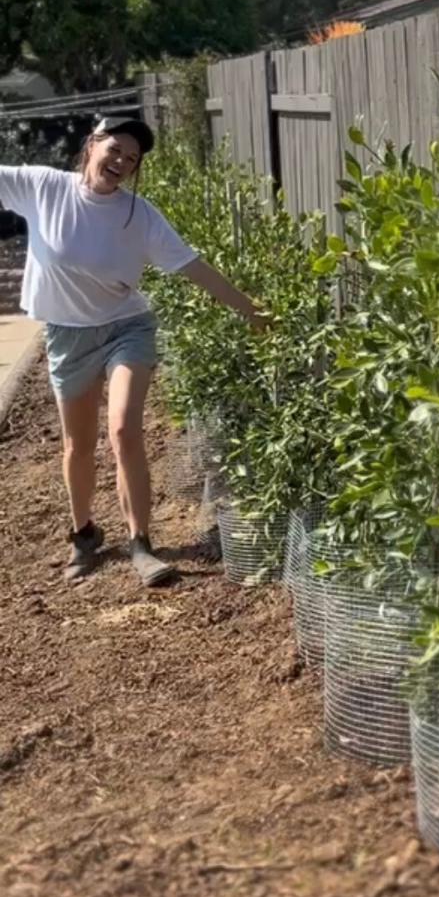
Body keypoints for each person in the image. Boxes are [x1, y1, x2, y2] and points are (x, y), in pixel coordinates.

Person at [0, 113, 267, 589]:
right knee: (77, 446)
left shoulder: (138, 214)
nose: (122, 161)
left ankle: (141, 543)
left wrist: (249, 310)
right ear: (92, 144)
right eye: (115, 150)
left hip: (127, 327)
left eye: (132, 158)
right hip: (68, 334)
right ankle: (83, 533)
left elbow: (192, 266)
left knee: (124, 429)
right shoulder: (43, 187)